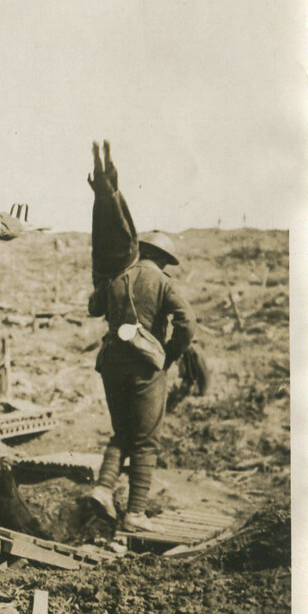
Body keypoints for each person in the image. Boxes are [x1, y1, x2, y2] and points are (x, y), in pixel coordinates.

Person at [83, 147, 195, 530]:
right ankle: (135, 515)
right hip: (146, 368)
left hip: (111, 363)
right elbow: (188, 324)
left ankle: (102, 487)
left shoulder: (118, 277)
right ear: (164, 259)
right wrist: (169, 355)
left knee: (122, 432)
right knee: (145, 441)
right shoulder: (163, 282)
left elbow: (93, 308)